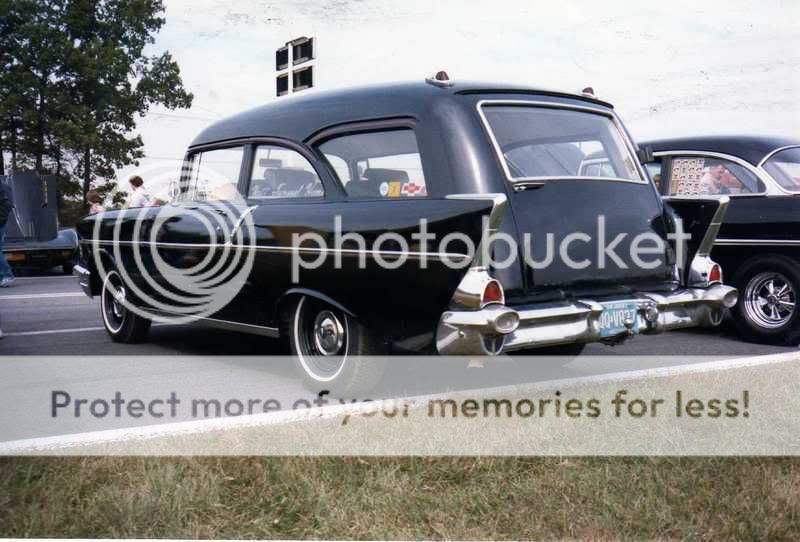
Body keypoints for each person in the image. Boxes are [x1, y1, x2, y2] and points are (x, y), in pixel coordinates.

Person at [0, 180, 16, 288]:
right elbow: (10, 204)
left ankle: (7, 275)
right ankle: (3, 276)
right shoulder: (5, 186)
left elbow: (7, 204)